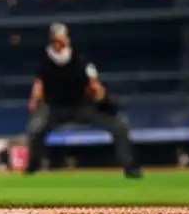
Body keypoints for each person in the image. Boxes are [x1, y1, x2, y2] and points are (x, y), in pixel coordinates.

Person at [24, 23, 141, 178]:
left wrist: (99, 95)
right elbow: (38, 84)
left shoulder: (79, 59)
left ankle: (130, 167)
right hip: (54, 108)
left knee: (120, 126)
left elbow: (93, 83)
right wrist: (34, 100)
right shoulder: (45, 61)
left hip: (81, 106)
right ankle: (33, 167)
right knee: (35, 129)